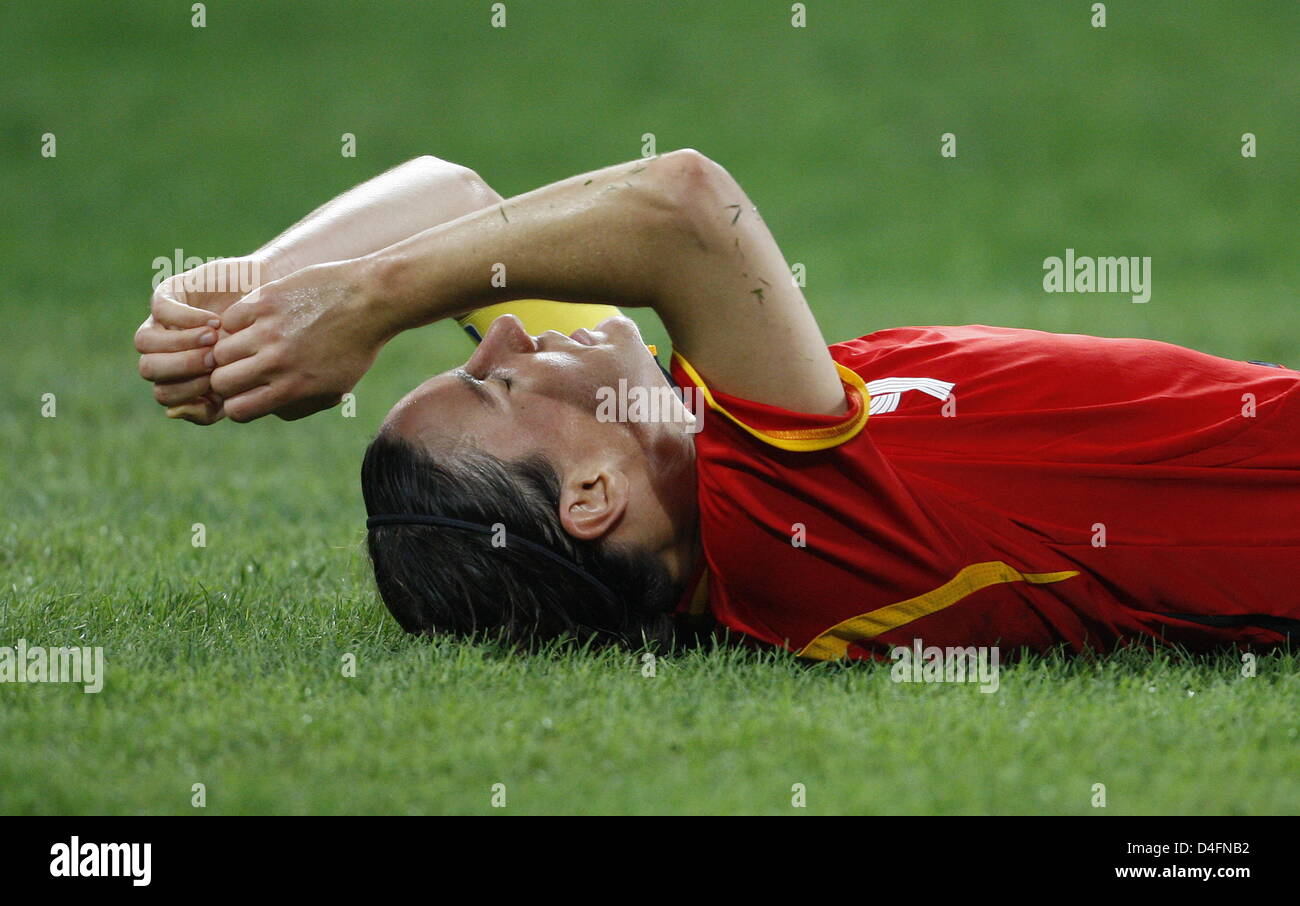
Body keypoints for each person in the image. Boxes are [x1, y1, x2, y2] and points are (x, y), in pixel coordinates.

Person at [135, 151, 1300, 659]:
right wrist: (373, 302)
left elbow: (450, 198)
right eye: (494, 378)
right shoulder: (788, 528)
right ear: (593, 494)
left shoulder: (679, 425)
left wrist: (234, 309)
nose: (497, 330)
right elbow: (682, 208)